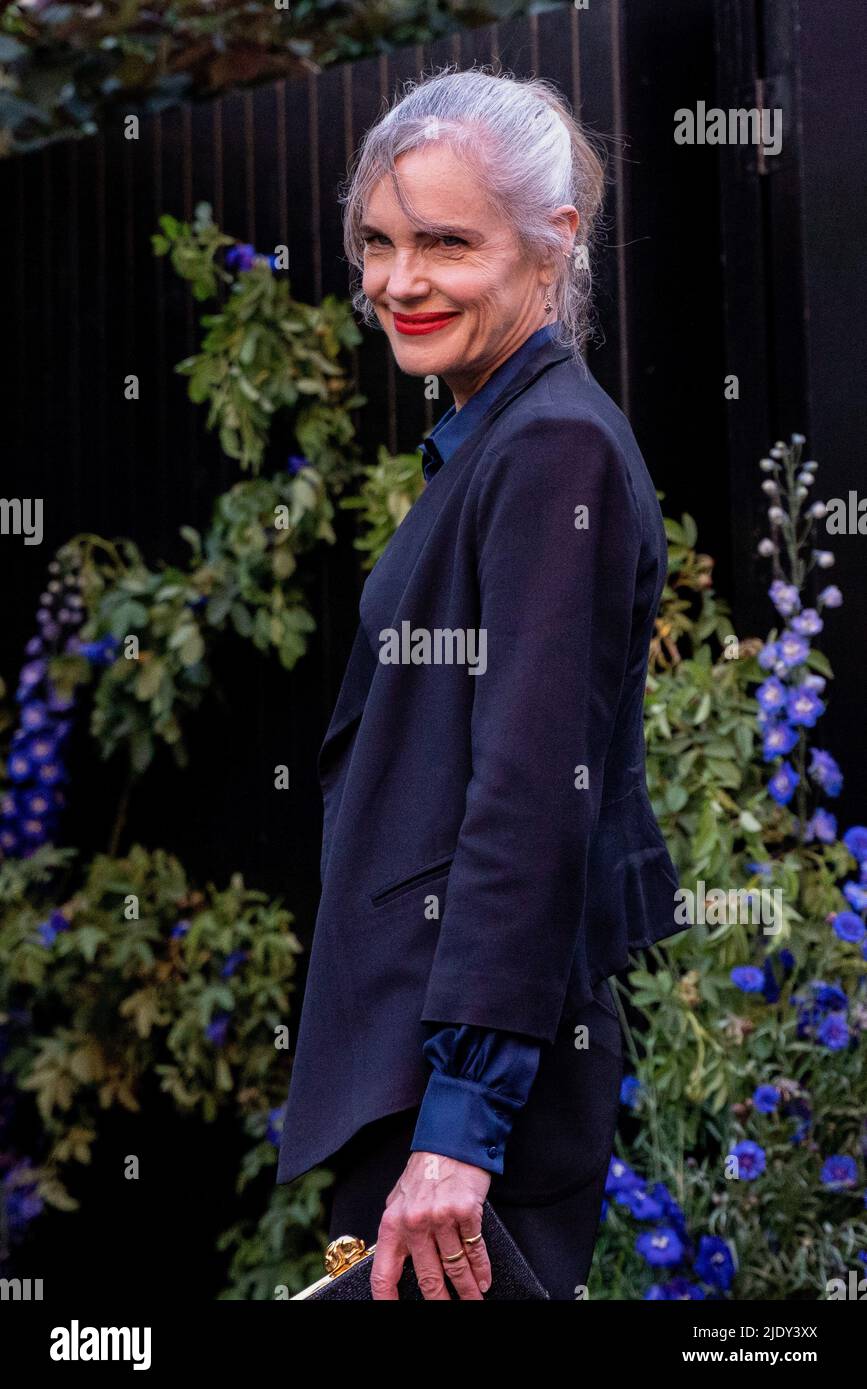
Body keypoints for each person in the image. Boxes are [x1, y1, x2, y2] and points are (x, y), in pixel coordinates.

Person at [276, 65, 684, 1301]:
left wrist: (458, 1126)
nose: (399, 282)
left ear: (552, 243)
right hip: (434, 1066)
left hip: (467, 1098)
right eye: (378, 242)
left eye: (447, 242)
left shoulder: (550, 444)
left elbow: (527, 801)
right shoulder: (497, 439)